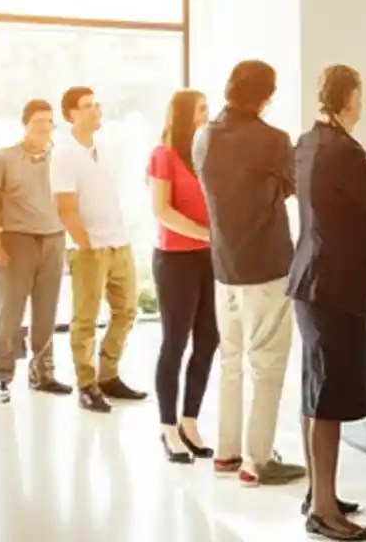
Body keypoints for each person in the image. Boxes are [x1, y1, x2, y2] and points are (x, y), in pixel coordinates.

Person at [289, 65, 366, 541]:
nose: (363, 102)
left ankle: (319, 492)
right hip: (334, 287)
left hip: (310, 281)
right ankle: (324, 512)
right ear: (349, 100)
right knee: (329, 397)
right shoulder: (345, 151)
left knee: (315, 391)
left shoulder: (308, 143)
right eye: (360, 95)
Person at [194, 59, 306, 487]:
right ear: (266, 95)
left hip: (224, 266)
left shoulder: (204, 136)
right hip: (267, 265)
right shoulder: (273, 139)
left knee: (232, 362)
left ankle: (227, 452)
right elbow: (293, 183)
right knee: (268, 365)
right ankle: (258, 460)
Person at [51, 86, 146, 413]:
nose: (96, 111)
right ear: (71, 114)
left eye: (97, 105)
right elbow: (64, 207)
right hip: (89, 249)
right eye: (88, 106)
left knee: (127, 311)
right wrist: (85, 243)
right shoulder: (63, 154)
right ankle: (86, 384)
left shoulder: (104, 148)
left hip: (119, 243)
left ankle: (108, 374)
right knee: (86, 319)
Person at [0, 99, 74, 403]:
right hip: (16, 238)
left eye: (50, 121)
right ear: (25, 125)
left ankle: (42, 374)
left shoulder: (60, 159)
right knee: (9, 312)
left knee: (46, 312)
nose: (45, 127)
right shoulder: (3, 158)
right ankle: (0, 376)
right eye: (39, 121)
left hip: (54, 238)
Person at [147, 90, 218, 464]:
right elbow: (162, 210)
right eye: (202, 108)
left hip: (210, 258)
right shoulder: (163, 155)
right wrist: (205, 234)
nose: (208, 113)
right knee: (175, 341)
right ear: (185, 114)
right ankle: (168, 426)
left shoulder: (205, 152)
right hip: (175, 260)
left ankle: (190, 421)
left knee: (208, 339)